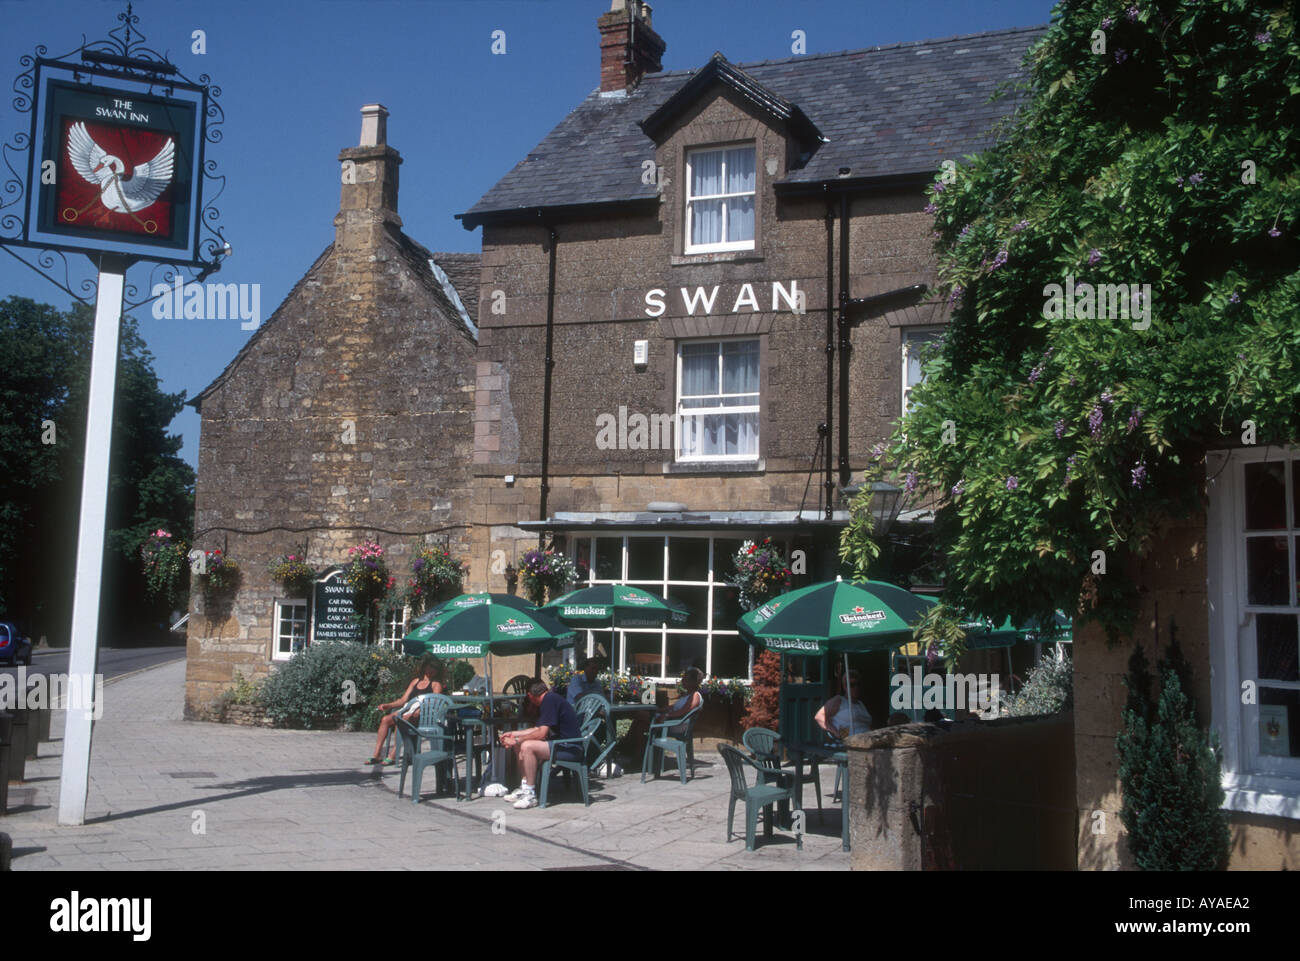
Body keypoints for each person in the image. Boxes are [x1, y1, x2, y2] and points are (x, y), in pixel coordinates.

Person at [498, 680, 583, 809]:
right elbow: (537, 729)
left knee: (527, 746)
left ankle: (531, 795)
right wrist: (513, 734)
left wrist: (516, 740)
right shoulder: (550, 699)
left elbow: (541, 734)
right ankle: (525, 786)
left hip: (570, 748)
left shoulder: (549, 701)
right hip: (560, 744)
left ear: (530, 695)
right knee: (520, 744)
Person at [366, 657, 444, 765]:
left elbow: (434, 703)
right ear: (425, 666)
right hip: (408, 709)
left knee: (400, 720)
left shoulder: (436, 684)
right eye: (430, 666)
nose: (431, 670)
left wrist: (419, 711)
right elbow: (403, 700)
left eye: (435, 668)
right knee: (385, 719)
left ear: (438, 671)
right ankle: (377, 754)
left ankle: (393, 755)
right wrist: (388, 705)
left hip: (422, 715)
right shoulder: (416, 681)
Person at [814, 668, 872, 739]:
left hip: (867, 739)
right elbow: (819, 717)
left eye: (858, 684)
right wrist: (836, 733)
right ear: (845, 686)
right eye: (852, 685)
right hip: (851, 741)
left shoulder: (860, 704)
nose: (856, 688)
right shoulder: (839, 700)